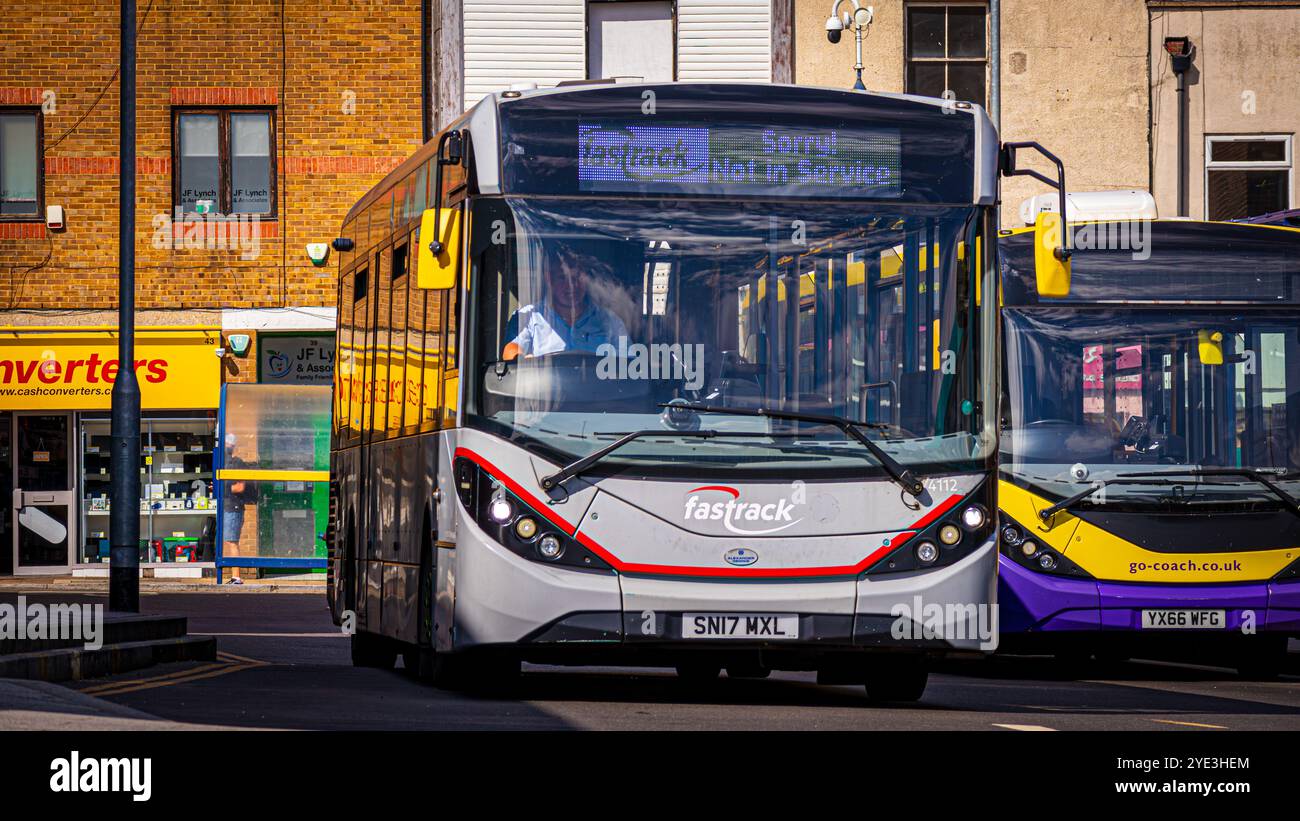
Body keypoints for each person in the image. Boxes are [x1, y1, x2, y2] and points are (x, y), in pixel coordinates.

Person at [502, 244, 628, 360]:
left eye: (577, 277)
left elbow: (630, 362)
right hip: (545, 385)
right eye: (562, 278)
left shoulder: (610, 321)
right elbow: (510, 349)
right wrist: (521, 360)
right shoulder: (529, 317)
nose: (571, 286)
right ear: (549, 279)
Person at [223, 479, 258, 584]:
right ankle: (235, 577)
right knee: (230, 542)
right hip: (228, 508)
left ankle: (236, 577)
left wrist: (221, 489)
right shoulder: (229, 464)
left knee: (232, 542)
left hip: (233, 509)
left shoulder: (237, 464)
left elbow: (240, 487)